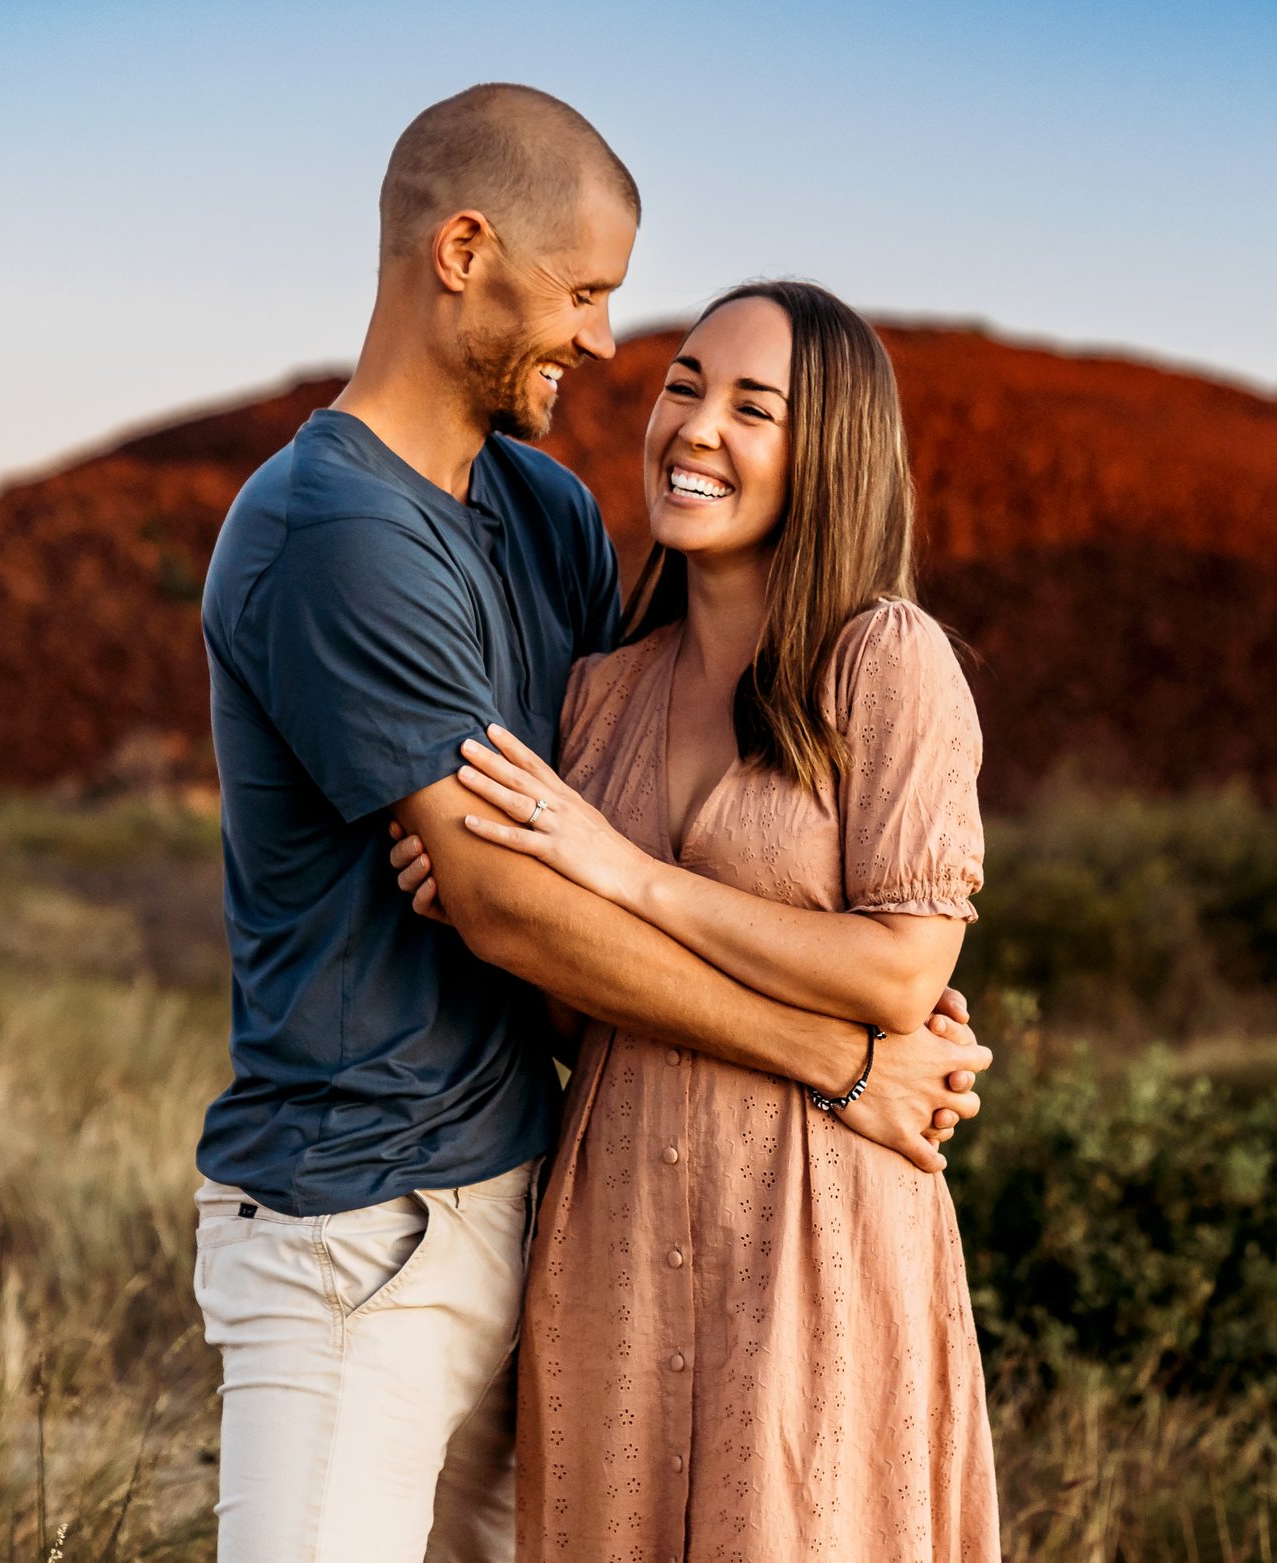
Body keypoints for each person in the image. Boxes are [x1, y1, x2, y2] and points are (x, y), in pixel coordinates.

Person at [192, 86, 991, 1563]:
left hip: (547, 1195)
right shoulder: (332, 532)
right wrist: (842, 1053)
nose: (610, 347)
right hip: (360, 1220)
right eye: (587, 294)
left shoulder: (550, 517)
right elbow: (512, 901)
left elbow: (594, 864)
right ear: (464, 250)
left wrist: (861, 973)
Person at [394, 281, 1000, 1560]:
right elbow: (577, 1011)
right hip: (610, 1230)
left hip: (815, 1229)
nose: (696, 427)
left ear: (825, 452)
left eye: (753, 407)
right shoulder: (601, 695)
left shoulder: (880, 660)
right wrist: (478, 903)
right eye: (683, 386)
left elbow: (899, 970)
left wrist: (620, 872)